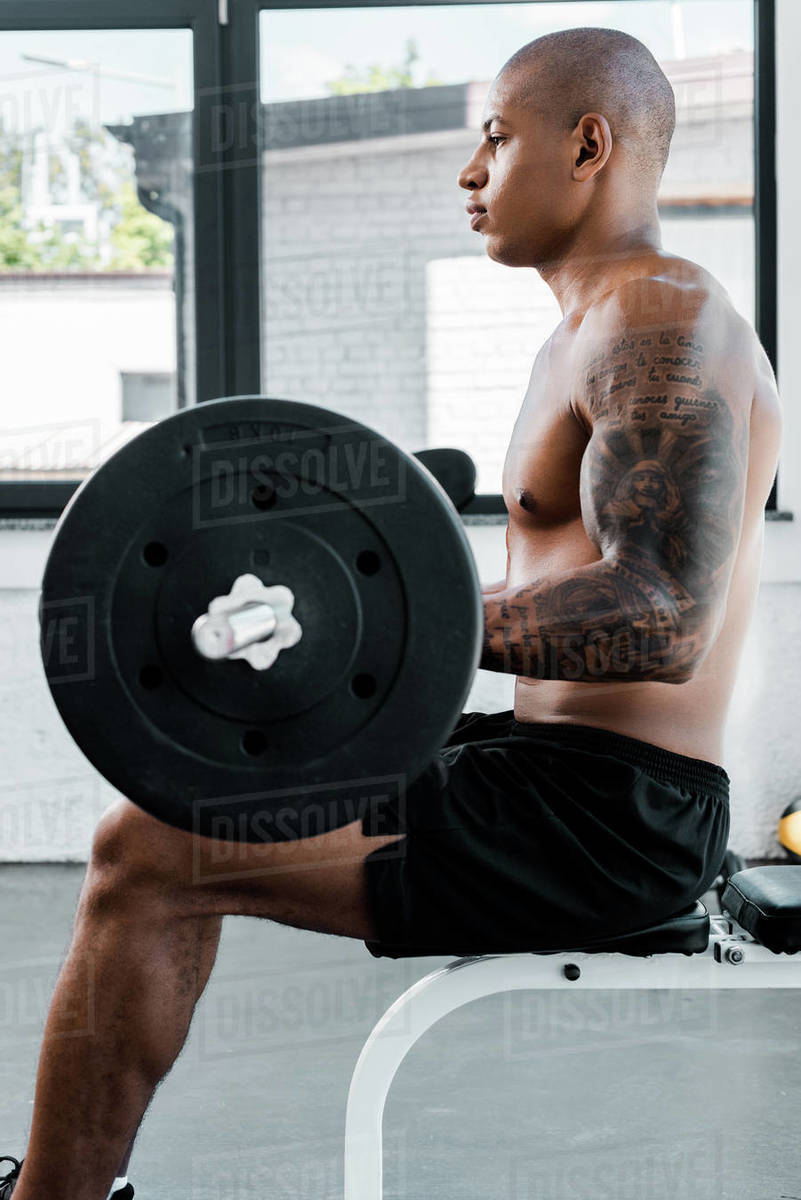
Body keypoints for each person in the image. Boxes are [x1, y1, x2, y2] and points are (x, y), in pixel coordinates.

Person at [2, 25, 781, 1200]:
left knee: (149, 851)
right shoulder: (585, 328)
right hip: (548, 769)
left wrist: (380, 614)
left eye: (495, 137)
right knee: (178, 805)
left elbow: (663, 615)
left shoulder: (661, 317)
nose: (469, 172)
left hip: (613, 819)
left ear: (588, 145)